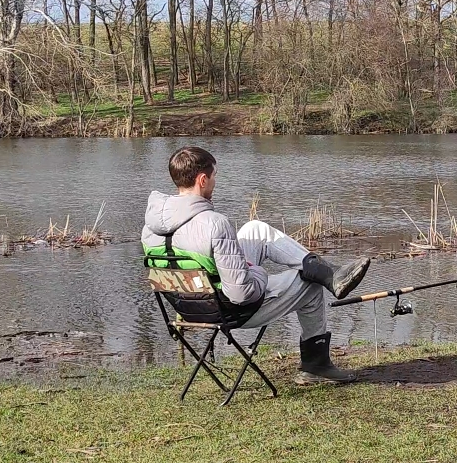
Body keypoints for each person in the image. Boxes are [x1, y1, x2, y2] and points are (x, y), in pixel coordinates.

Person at [141, 146, 371, 383]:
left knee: (255, 229)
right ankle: (316, 365)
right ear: (202, 179)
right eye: (214, 176)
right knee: (310, 284)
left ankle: (329, 274)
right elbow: (242, 294)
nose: (215, 182)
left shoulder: (150, 229)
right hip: (226, 311)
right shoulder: (214, 224)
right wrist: (256, 271)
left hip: (188, 308)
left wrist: (242, 267)